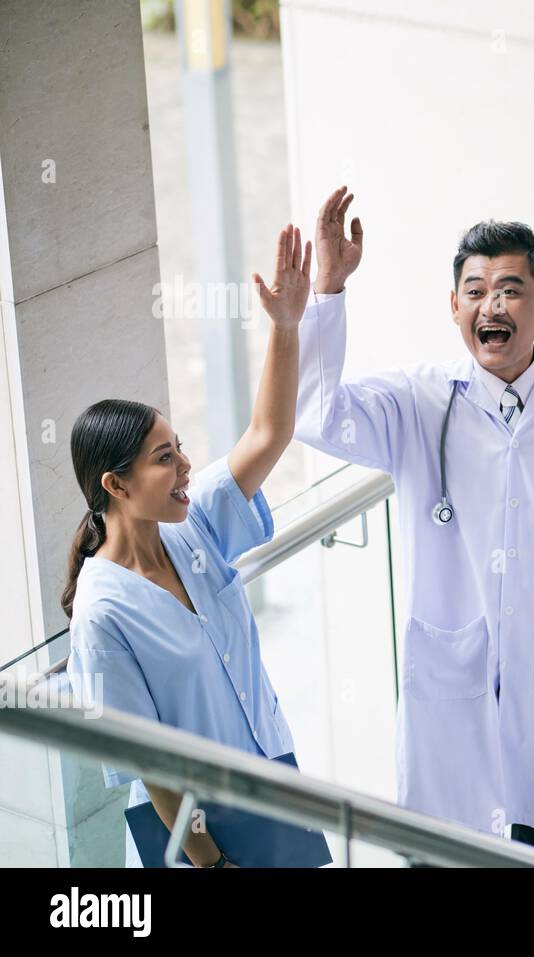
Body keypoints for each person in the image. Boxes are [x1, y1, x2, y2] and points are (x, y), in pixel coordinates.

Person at [293, 187, 534, 851]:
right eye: (475, 290)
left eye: (511, 289)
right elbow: (318, 415)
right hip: (451, 702)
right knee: (444, 851)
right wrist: (329, 289)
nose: (492, 305)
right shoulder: (420, 400)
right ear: (455, 307)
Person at [64, 225, 313, 867]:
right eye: (164, 458)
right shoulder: (102, 612)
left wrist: (285, 325)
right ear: (116, 485)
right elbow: (149, 763)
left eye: (179, 450)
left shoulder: (193, 524)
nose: (185, 468)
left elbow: (269, 432)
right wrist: (212, 863)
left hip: (271, 775)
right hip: (195, 829)